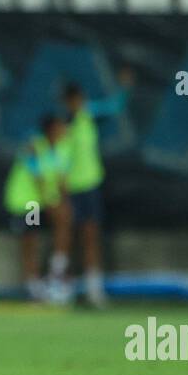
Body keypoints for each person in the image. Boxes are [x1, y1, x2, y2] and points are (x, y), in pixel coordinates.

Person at [60, 70, 132, 306]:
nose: (77, 104)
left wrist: (124, 88)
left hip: (90, 187)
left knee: (91, 237)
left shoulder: (88, 116)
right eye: (73, 100)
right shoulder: (63, 128)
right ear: (67, 103)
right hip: (70, 189)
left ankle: (93, 289)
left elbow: (115, 106)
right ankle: (63, 288)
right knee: (67, 238)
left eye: (79, 99)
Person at [3, 115, 71, 302]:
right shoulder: (33, 146)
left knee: (58, 224)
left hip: (40, 202)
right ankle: (32, 287)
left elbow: (60, 180)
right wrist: (52, 201)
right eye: (58, 128)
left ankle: (55, 272)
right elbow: (38, 178)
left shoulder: (62, 149)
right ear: (49, 130)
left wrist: (60, 201)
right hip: (26, 203)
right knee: (29, 241)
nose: (63, 132)